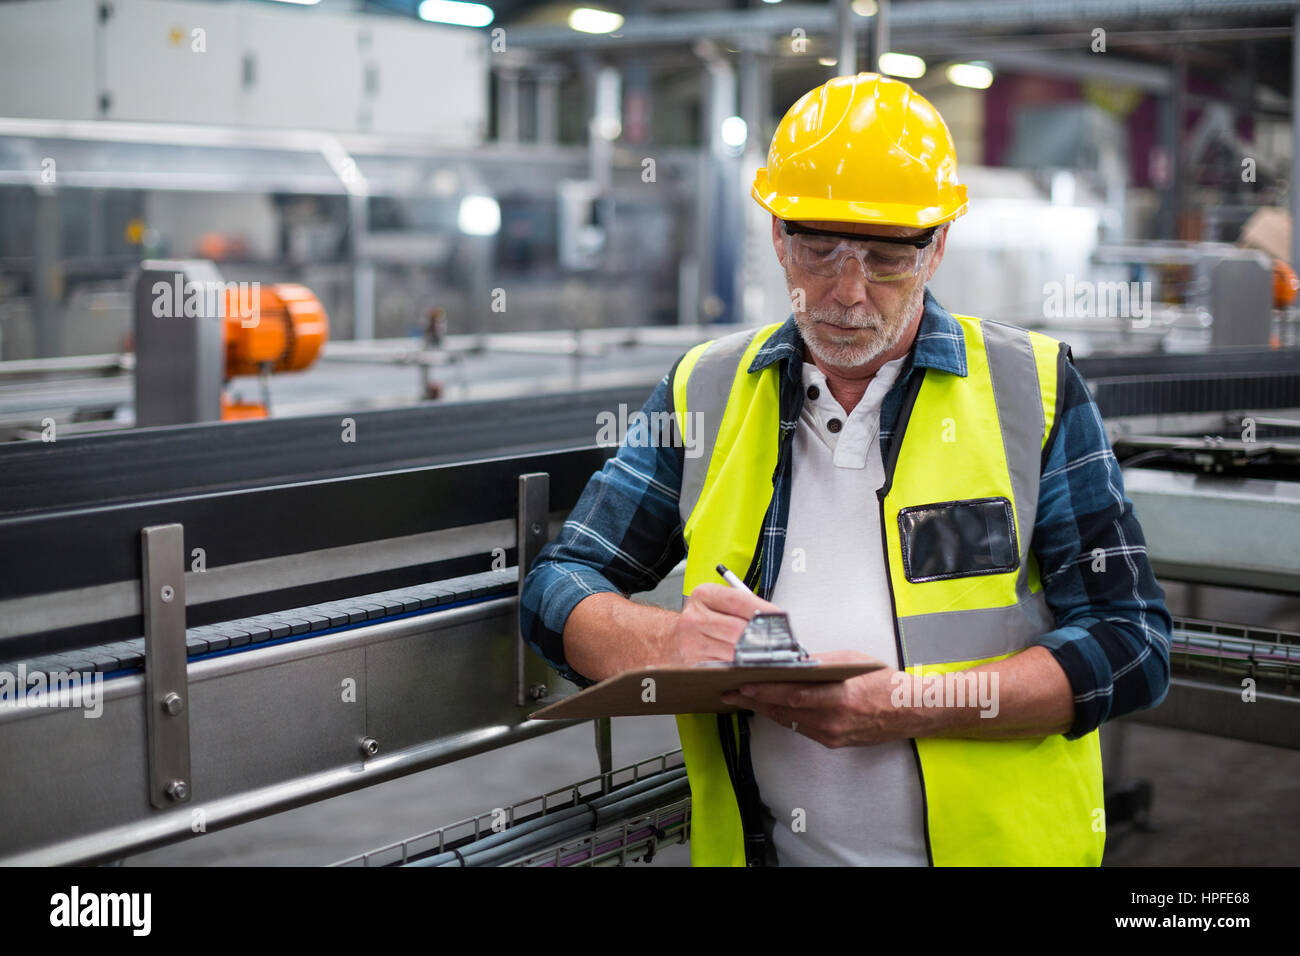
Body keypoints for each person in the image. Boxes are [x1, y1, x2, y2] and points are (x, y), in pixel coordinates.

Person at [521, 73, 1171, 866]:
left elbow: (1132, 642)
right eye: (818, 248)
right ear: (775, 234)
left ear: (937, 247)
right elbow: (560, 584)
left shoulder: (1029, 390)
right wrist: (662, 643)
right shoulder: (707, 389)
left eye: (887, 256)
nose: (847, 292)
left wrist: (911, 705)